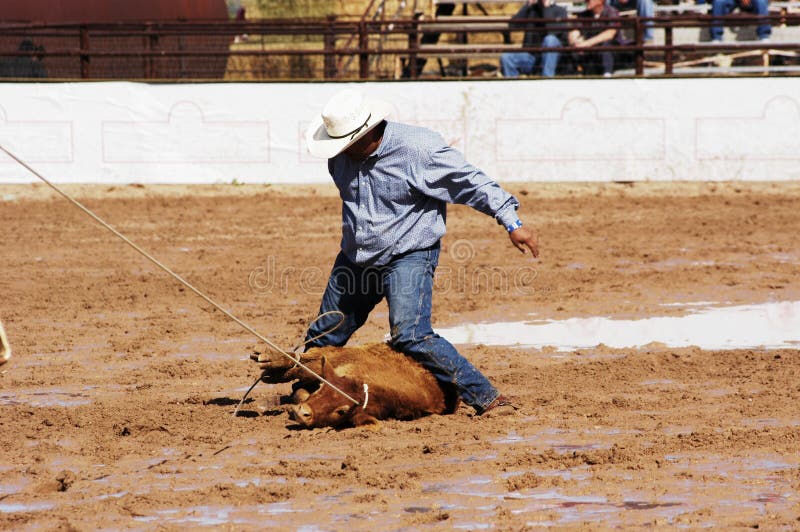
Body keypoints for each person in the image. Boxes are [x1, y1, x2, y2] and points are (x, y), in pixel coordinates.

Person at [301, 89, 539, 417]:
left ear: (369, 132)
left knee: (411, 334)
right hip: (357, 256)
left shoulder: (419, 149)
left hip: (409, 252)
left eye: (346, 143)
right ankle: (307, 394)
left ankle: (488, 398)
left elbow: (472, 182)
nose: (341, 150)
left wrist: (512, 222)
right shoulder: (339, 157)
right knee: (323, 337)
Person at [500, 0, 569, 78]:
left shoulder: (560, 11)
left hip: (552, 58)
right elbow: (512, 26)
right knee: (507, 57)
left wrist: (546, 8)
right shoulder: (531, 10)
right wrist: (527, 5)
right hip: (532, 56)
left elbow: (551, 31)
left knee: (550, 40)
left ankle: (547, 79)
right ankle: (513, 84)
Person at [569, 0, 621, 77]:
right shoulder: (584, 15)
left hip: (612, 52)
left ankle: (607, 74)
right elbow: (574, 31)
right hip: (590, 52)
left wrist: (586, 43)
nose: (586, 1)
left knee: (606, 44)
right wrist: (575, 41)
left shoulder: (611, 12)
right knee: (572, 48)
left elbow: (610, 34)